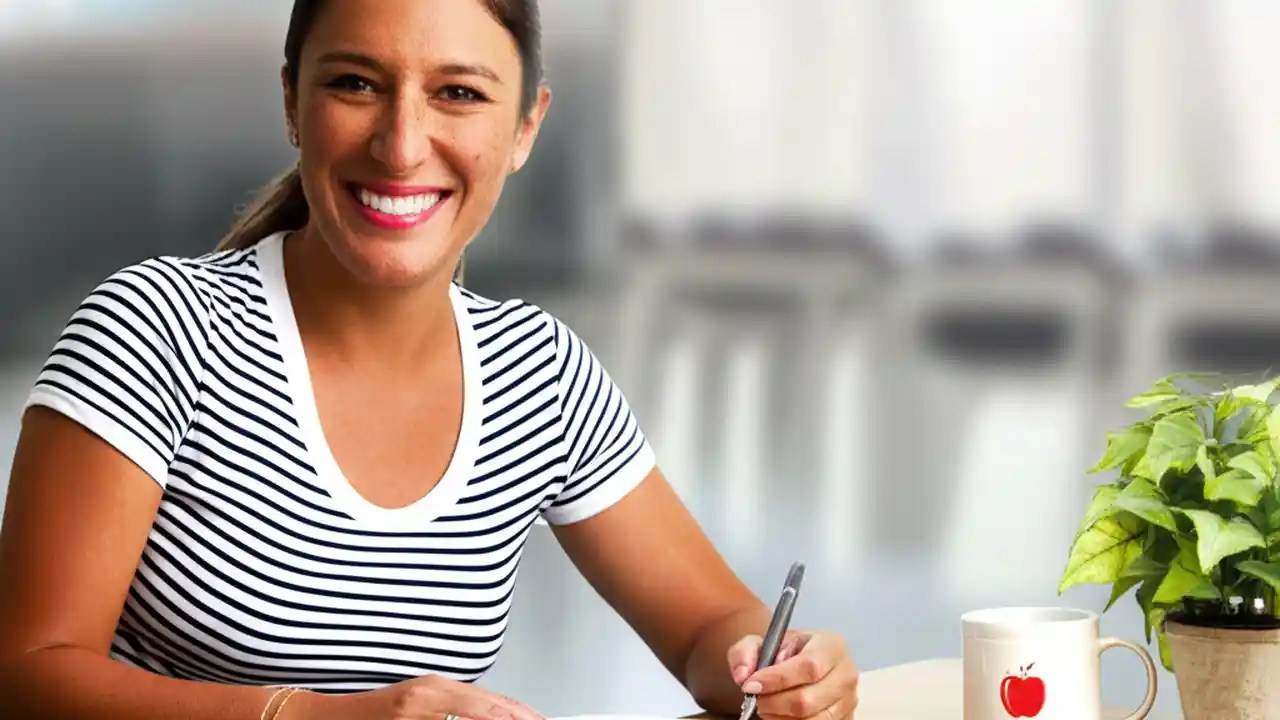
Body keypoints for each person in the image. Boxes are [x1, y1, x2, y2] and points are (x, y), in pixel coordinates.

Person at [0, 1, 860, 718]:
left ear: (526, 127)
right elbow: (27, 672)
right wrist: (314, 718)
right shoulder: (155, 331)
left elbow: (709, 624)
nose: (403, 144)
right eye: (356, 84)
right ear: (293, 103)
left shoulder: (540, 375)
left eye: (458, 93)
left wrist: (777, 665)